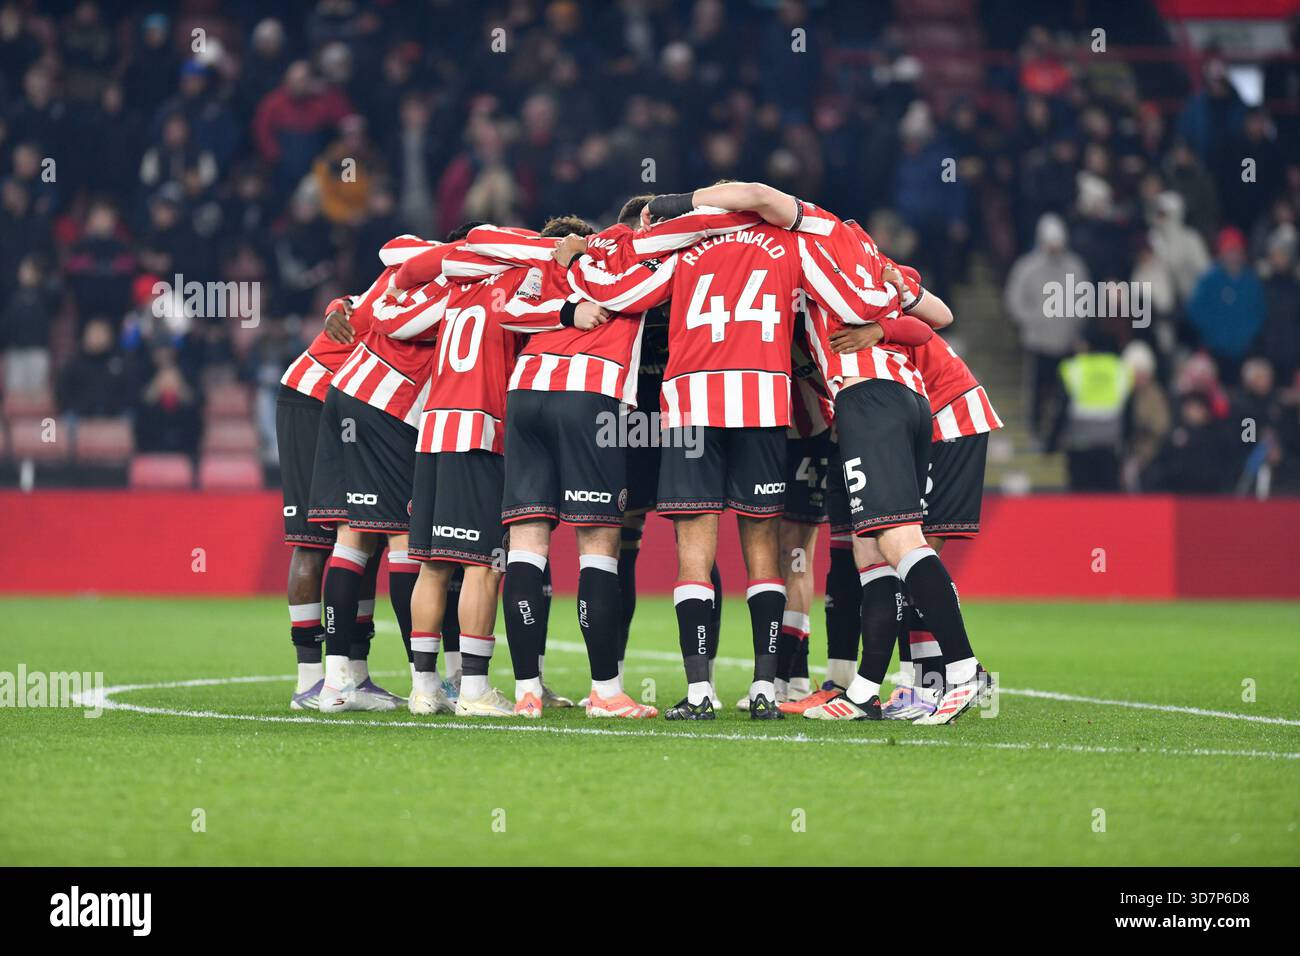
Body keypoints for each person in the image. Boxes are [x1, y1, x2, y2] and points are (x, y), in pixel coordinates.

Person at [1005, 213, 1089, 443]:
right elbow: (1014, 300)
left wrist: (1076, 329)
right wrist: (1032, 321)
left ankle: (1057, 437)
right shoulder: (1027, 268)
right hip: (1038, 342)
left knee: (1064, 393)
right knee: (1037, 393)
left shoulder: (1075, 267)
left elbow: (1084, 301)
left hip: (1066, 341)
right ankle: (1034, 431)